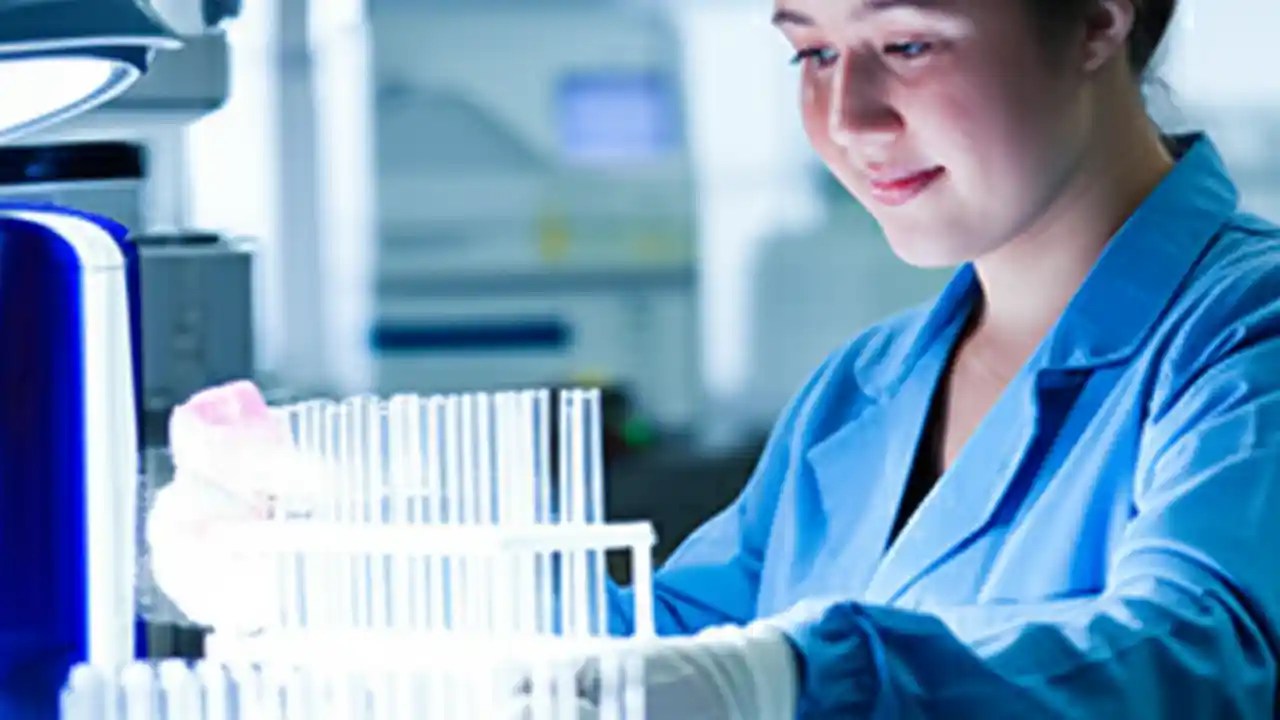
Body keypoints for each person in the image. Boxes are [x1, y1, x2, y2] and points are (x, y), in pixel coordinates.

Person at [151, 0, 1280, 716]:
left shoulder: (1245, 334)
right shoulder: (866, 389)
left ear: (1095, 21)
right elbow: (665, 649)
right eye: (811, 51)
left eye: (904, 44)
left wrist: (795, 679)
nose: (850, 115)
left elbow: (1201, 661)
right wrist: (347, 559)